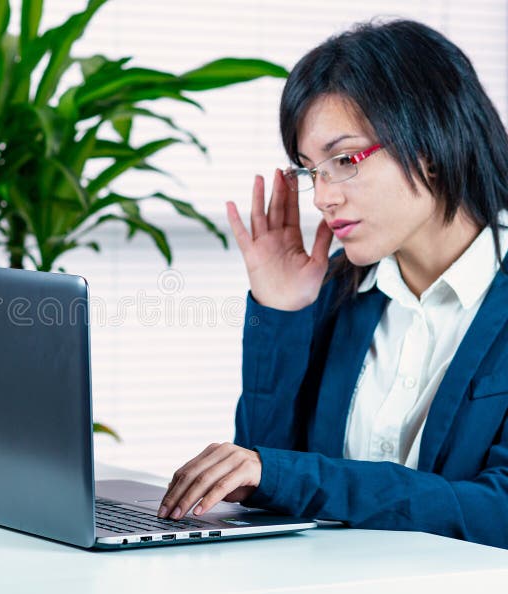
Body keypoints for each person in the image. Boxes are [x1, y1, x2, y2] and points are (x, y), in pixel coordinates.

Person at [156, 18, 508, 549]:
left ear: (431, 147)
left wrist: (292, 477)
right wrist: (281, 312)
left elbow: (498, 511)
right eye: (309, 170)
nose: (322, 197)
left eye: (343, 160)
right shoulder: (334, 291)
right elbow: (261, 491)